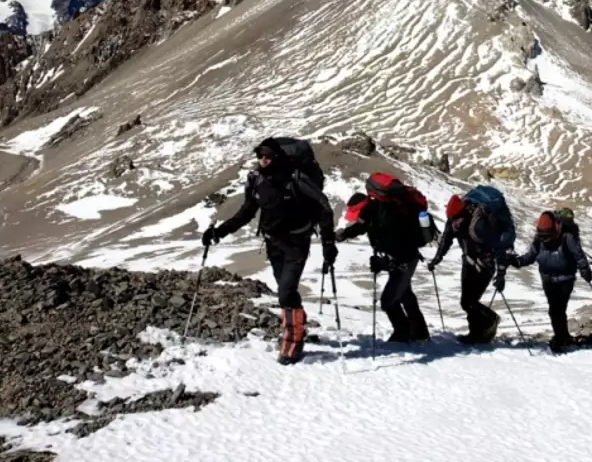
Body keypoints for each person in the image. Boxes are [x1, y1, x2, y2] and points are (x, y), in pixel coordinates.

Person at [202, 137, 336, 364]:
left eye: (268, 156)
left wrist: (329, 245)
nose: (263, 160)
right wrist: (219, 232)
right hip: (273, 242)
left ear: (277, 157)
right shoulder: (257, 180)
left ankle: (292, 344)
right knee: (286, 290)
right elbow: (246, 212)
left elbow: (324, 209)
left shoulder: (296, 179)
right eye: (260, 156)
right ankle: (298, 325)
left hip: (296, 243)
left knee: (285, 291)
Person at [334, 173, 432, 343]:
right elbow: (360, 227)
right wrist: (343, 235)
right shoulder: (378, 209)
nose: (357, 217)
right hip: (406, 259)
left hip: (403, 260)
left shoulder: (385, 214)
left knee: (388, 301)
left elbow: (398, 245)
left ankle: (403, 334)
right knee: (405, 294)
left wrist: (385, 263)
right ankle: (420, 333)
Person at [426, 193, 509, 344]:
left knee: (470, 301)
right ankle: (479, 330)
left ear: (462, 211)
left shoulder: (479, 222)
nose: (454, 221)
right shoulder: (453, 220)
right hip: (469, 262)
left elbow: (498, 246)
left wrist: (501, 272)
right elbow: (446, 239)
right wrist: (437, 259)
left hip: (485, 265)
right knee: (467, 301)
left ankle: (488, 323)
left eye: (455, 217)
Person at [507, 211, 592, 353]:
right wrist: (517, 261)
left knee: (557, 309)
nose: (544, 239)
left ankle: (560, 338)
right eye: (542, 236)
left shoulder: (567, 237)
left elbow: (579, 255)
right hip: (547, 280)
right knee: (555, 310)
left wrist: (585, 269)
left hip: (565, 279)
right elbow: (531, 255)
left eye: (546, 236)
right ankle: (563, 336)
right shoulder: (539, 239)